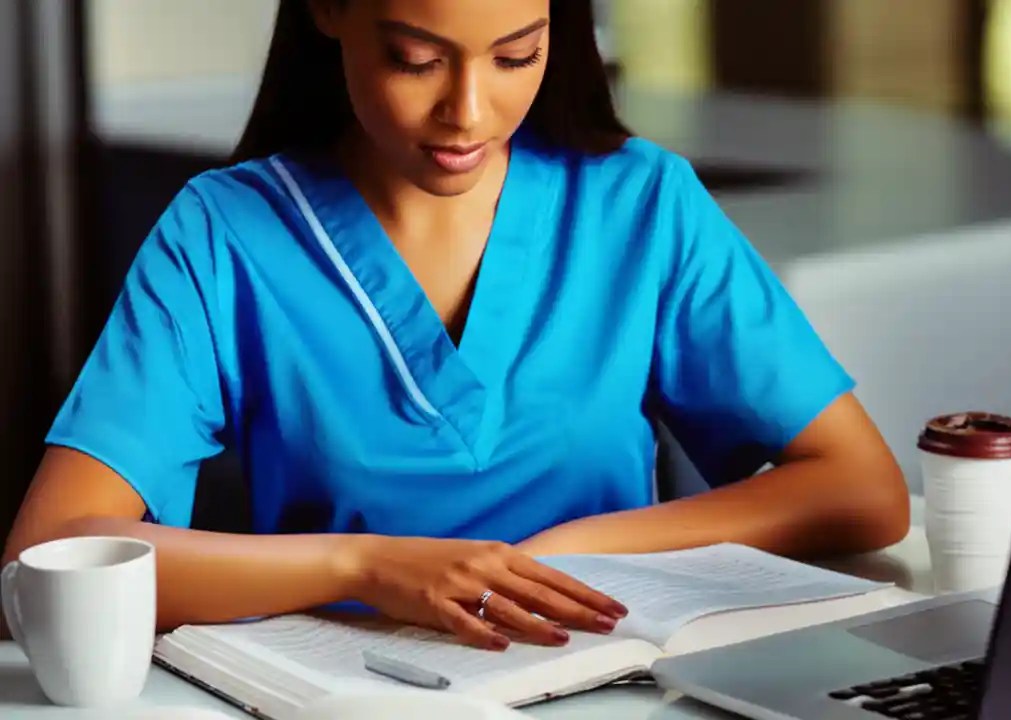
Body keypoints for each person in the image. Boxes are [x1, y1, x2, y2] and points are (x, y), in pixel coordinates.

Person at [2, 0, 908, 652]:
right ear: (330, 11)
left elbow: (862, 488)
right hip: (354, 692)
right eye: (416, 59)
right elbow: (50, 551)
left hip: (614, 678)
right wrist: (364, 567)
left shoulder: (641, 203)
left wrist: (558, 554)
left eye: (517, 55)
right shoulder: (224, 233)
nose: (467, 113)